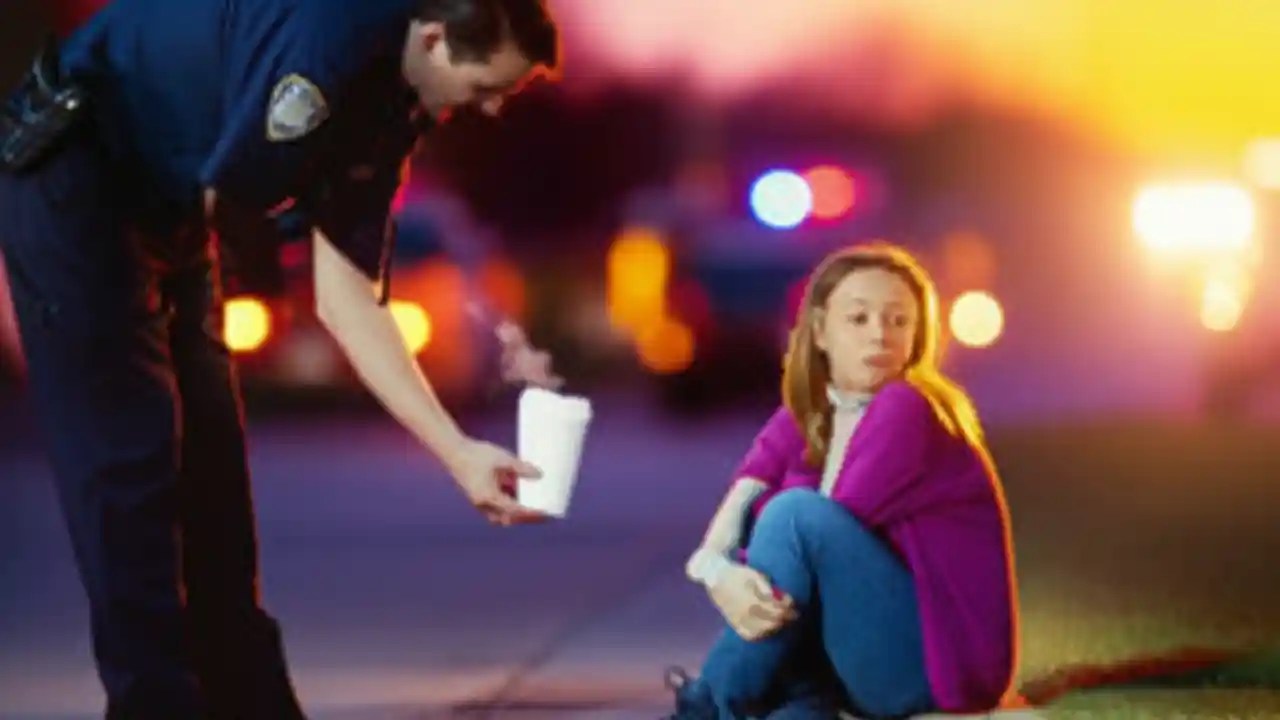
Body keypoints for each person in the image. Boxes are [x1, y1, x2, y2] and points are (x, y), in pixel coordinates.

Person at [0, 1, 562, 718]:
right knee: (132, 465)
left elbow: (349, 299)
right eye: (488, 87)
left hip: (166, 208)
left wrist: (457, 452)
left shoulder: (391, 106)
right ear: (434, 38)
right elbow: (230, 200)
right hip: (76, 181)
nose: (487, 110)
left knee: (213, 472)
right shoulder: (328, 50)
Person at [664, 243, 1021, 719]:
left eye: (898, 321)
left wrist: (736, 575)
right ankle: (787, 701)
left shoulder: (906, 410)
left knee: (794, 512)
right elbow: (749, 485)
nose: (880, 335)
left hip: (936, 667)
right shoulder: (815, 413)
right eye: (859, 319)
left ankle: (712, 702)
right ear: (820, 331)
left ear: (917, 336)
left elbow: (813, 533)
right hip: (860, 657)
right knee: (789, 710)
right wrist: (716, 570)